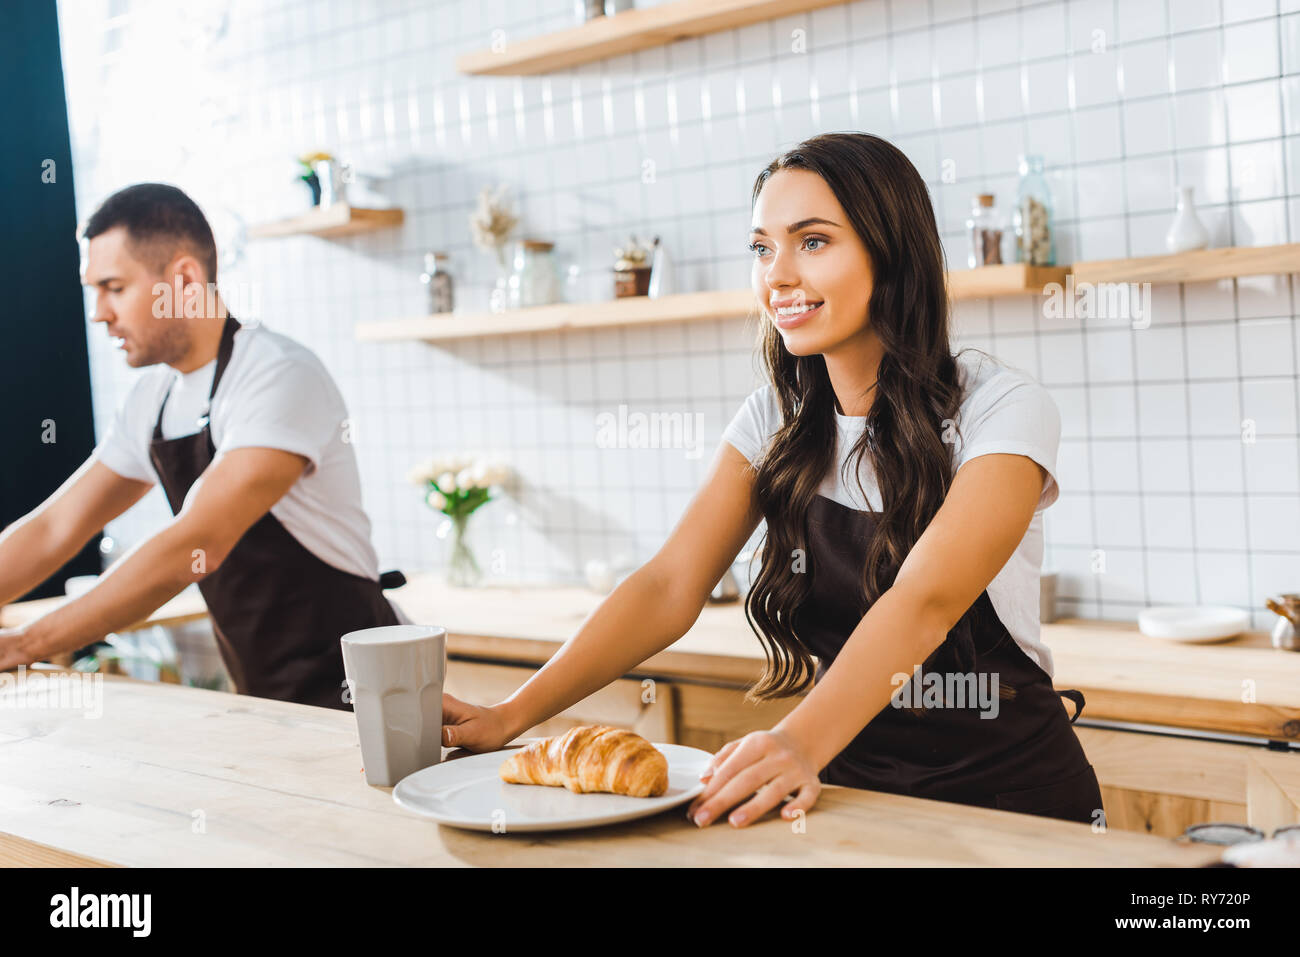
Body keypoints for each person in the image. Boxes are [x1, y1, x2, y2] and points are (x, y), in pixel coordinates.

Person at [439, 132, 1103, 828]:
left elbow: (925, 601)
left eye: (812, 241)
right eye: (762, 247)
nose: (776, 275)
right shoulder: (776, 421)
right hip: (853, 798)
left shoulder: (1002, 411)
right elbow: (670, 583)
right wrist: (509, 714)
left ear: (891, 250)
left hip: (1013, 806)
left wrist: (795, 740)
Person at [0, 183, 405, 710]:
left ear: (184, 279)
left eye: (114, 287)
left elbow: (199, 542)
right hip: (266, 702)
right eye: (93, 290)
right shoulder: (154, 397)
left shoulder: (277, 374)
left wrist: (24, 644)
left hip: (368, 696)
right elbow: (56, 527)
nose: (98, 313)